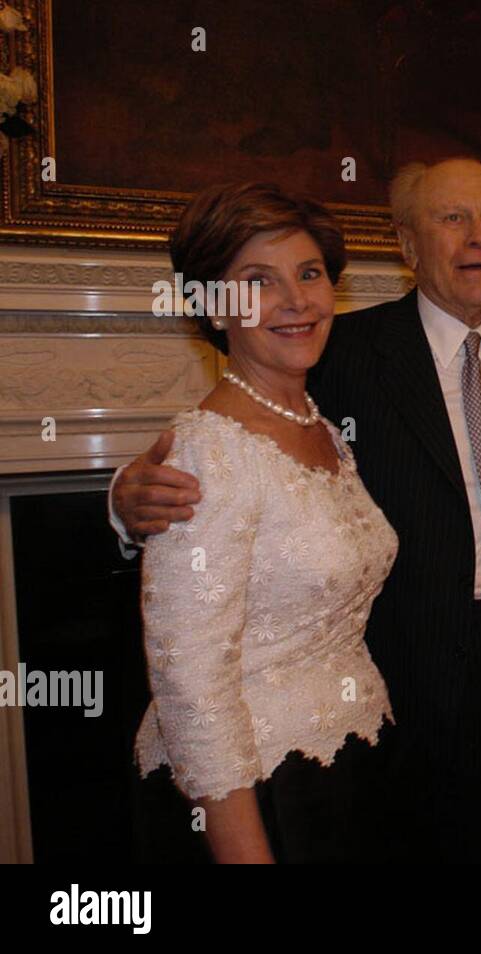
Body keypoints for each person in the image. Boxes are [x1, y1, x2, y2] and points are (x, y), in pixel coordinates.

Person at [113, 157, 481, 862]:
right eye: (453, 218)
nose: (478, 236)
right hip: (407, 692)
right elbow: (215, 468)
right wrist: (126, 499)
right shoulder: (338, 353)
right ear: (409, 247)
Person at [133, 182, 397, 863]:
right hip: (258, 794)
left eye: (309, 274)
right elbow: (189, 679)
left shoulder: (321, 428)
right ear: (212, 307)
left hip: (345, 764)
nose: (296, 300)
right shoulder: (210, 449)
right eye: (258, 281)